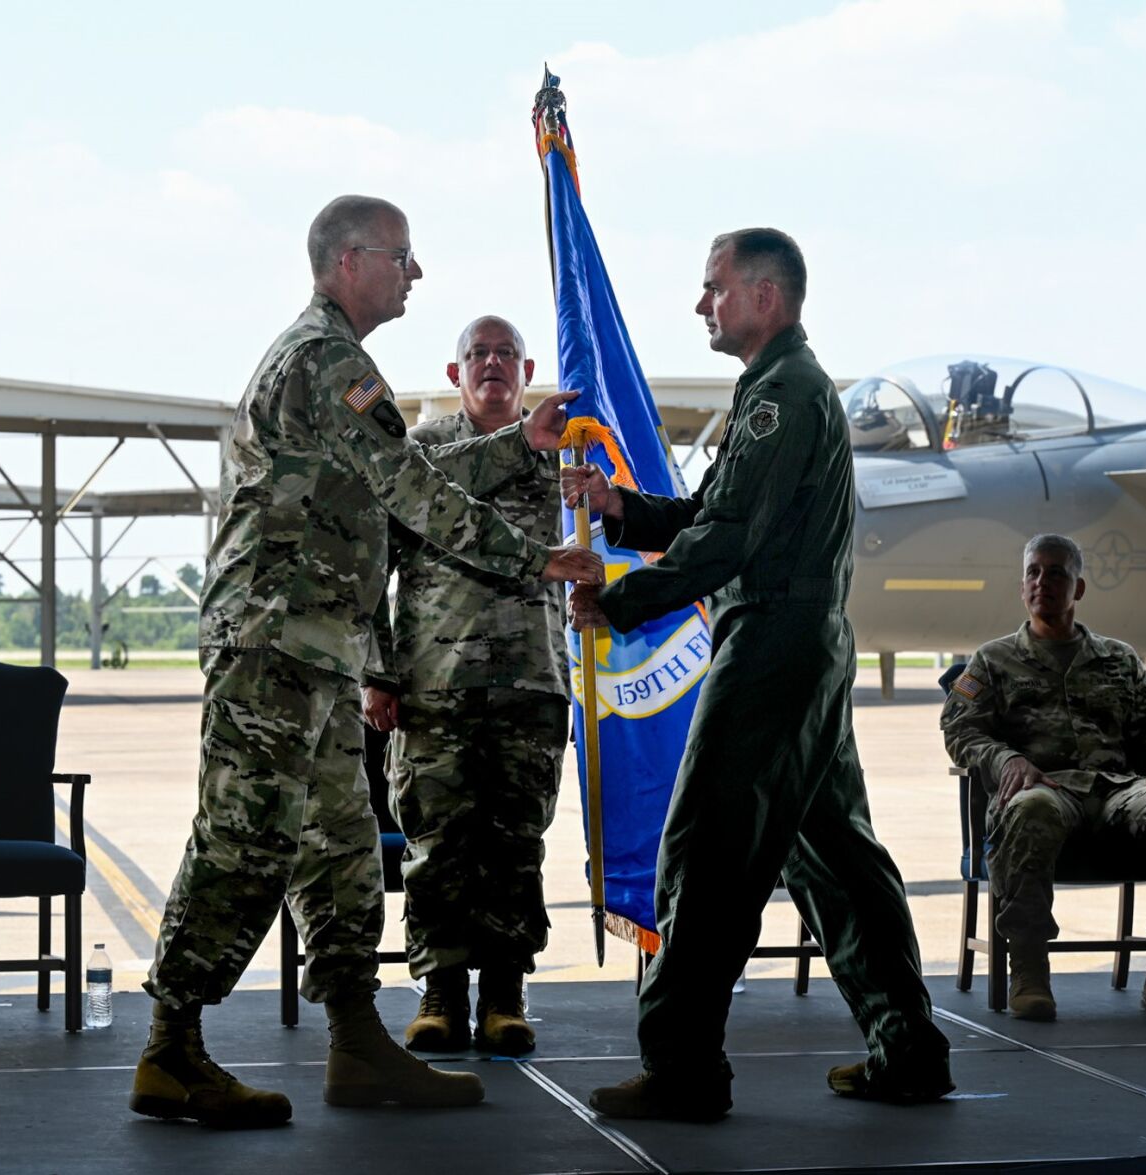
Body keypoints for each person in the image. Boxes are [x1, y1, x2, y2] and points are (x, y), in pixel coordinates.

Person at [129, 195, 603, 1129]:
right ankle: (170, 1045)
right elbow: (415, 490)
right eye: (401, 257)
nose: (414, 273)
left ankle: (355, 1041)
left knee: (342, 848)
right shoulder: (327, 360)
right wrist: (539, 558)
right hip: (274, 641)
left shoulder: (333, 359)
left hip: (318, 648)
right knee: (245, 838)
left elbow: (402, 490)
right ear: (350, 262)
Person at [564, 228, 953, 1121]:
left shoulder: (782, 396)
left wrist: (621, 601)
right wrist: (620, 510)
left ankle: (682, 1067)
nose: (702, 304)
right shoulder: (776, 392)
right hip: (799, 642)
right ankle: (909, 1049)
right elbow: (712, 510)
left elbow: (728, 539)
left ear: (765, 296)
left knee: (703, 850)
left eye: (713, 288)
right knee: (837, 861)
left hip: (773, 641)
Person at [361, 316, 568, 1056]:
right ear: (454, 375)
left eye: (504, 353)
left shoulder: (565, 460)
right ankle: (440, 995)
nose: (490, 364)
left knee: (516, 844)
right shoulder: (422, 453)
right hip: (434, 687)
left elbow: (606, 546)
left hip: (532, 681)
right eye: (476, 354)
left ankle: (507, 996)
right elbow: (374, 568)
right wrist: (379, 673)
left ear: (526, 368)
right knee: (437, 847)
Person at [941, 535, 1146, 1023]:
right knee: (1029, 810)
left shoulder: (1120, 659)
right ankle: (1028, 972)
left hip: (1117, 792)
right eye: (1033, 573)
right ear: (1021, 586)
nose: (1042, 583)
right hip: (1043, 790)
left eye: (1055, 573)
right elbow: (960, 728)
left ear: (1079, 588)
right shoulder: (991, 661)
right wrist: (1006, 760)